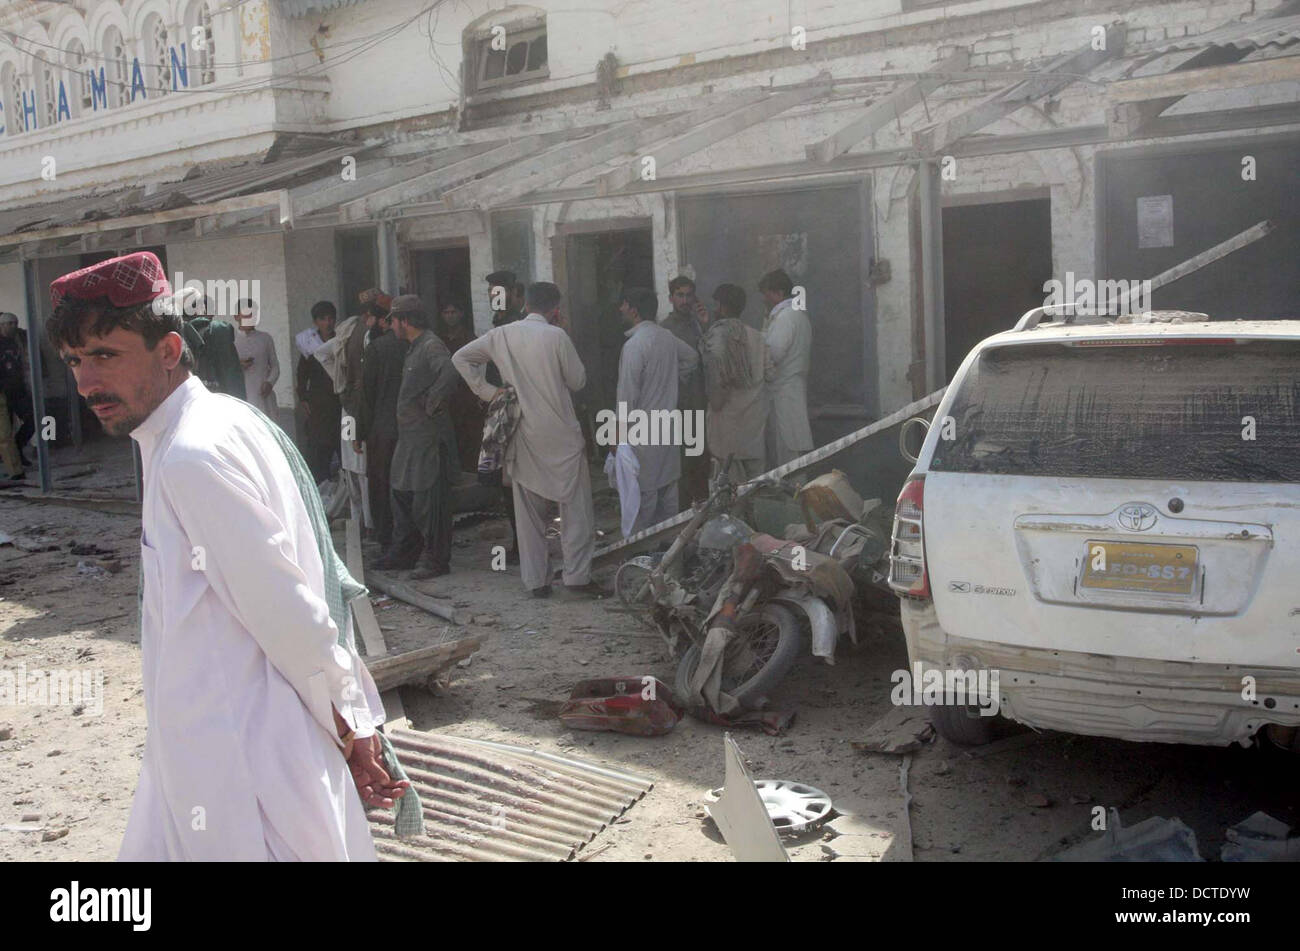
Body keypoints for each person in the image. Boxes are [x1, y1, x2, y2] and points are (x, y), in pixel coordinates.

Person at [45, 252, 406, 861]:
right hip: (207, 749)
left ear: (167, 350)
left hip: (244, 764)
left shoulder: (192, 454)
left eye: (105, 355)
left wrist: (352, 724)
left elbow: (287, 610)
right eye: (75, 361)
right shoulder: (212, 421)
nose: (85, 383)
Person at [452, 282, 598, 598]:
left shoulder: (501, 335)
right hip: (560, 434)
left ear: (526, 304)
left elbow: (460, 358)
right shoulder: (557, 336)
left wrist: (490, 392)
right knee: (575, 509)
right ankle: (577, 578)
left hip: (521, 430)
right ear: (555, 308)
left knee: (529, 512)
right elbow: (578, 380)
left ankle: (536, 582)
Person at [376, 296, 461, 580]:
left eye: (394, 320)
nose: (391, 326)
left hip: (427, 438)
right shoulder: (414, 347)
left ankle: (435, 560)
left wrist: (433, 402)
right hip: (409, 437)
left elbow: (449, 371)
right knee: (400, 492)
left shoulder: (430, 344)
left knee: (428, 499)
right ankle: (405, 553)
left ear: (405, 321)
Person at [616, 287, 699, 534]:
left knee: (644, 499)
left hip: (643, 432)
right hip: (669, 427)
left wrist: (618, 437)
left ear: (632, 309)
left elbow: (626, 398)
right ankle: (670, 556)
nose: (620, 309)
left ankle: (643, 557)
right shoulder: (665, 337)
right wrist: (673, 379)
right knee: (668, 492)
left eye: (623, 304)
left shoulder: (634, 346)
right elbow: (692, 358)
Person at [702, 284, 770, 482]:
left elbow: (717, 396)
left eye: (716, 305)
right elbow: (771, 373)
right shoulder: (758, 337)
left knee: (728, 497)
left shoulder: (717, 337)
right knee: (757, 493)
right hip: (754, 430)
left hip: (726, 434)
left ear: (722, 307)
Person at [358, 302, 406, 550]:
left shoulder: (377, 348)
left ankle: (387, 542)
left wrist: (358, 432)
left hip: (382, 431)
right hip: (408, 429)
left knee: (381, 486)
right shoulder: (415, 345)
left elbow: (365, 394)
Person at [660, 275, 710, 507]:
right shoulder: (665, 329)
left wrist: (706, 324)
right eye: (680, 295)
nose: (685, 300)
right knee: (680, 465)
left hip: (701, 403)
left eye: (689, 295)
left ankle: (701, 517)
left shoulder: (700, 325)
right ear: (671, 298)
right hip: (677, 406)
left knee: (700, 462)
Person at [759, 268, 813, 468]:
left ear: (779, 293)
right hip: (790, 390)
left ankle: (790, 499)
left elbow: (772, 355)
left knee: (787, 454)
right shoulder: (797, 315)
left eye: (767, 293)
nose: (764, 299)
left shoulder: (786, 318)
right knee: (791, 449)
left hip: (784, 392)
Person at [434, 301, 486, 475]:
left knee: (469, 437)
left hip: (467, 395)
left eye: (453, 311)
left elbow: (479, 368)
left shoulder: (470, 339)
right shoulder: (439, 341)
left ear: (461, 314)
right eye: (446, 312)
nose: (450, 316)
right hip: (448, 397)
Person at [296, 301, 342, 483]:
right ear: (316, 322)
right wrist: (303, 398)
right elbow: (302, 373)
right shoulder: (309, 344)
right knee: (319, 447)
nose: (328, 323)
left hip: (341, 403)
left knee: (345, 442)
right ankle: (320, 487)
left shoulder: (341, 340)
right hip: (319, 404)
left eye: (331, 318)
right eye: (323, 319)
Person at [232, 298, 280, 421]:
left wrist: (269, 382)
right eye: (246, 314)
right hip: (242, 396)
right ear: (237, 316)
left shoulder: (265, 338)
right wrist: (238, 365)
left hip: (264, 395)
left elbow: (275, 367)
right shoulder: (231, 340)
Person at [0, 312, 33, 475]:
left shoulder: (19, 339)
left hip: (18, 389)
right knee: (6, 431)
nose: (14, 326)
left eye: (15, 323)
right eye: (10, 323)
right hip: (3, 392)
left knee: (34, 419)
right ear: (2, 325)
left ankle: (18, 448)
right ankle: (14, 464)